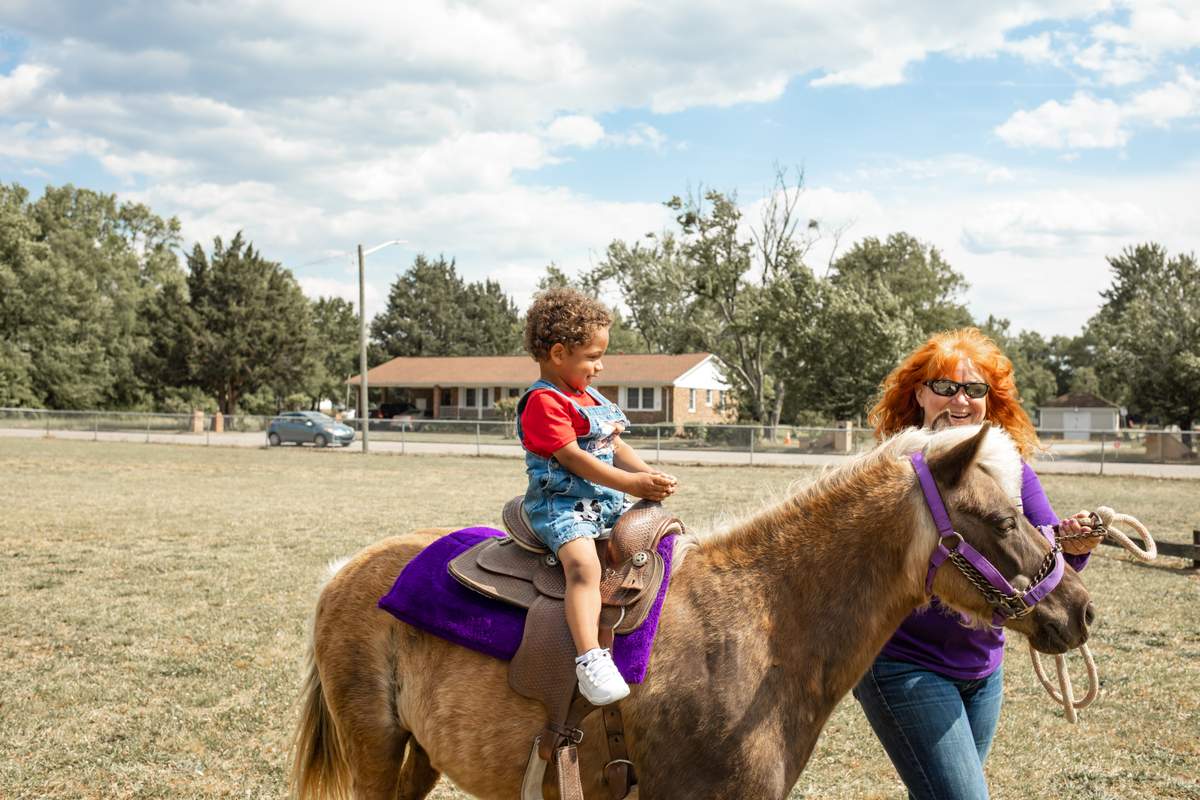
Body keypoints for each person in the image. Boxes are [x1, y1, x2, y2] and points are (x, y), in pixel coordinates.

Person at [854, 327, 1103, 800]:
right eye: (945, 387)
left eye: (974, 389)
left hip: (982, 669)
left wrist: (1075, 545)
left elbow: (1045, 557)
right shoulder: (893, 472)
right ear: (920, 394)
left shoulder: (1010, 470)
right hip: (905, 663)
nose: (960, 400)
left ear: (991, 399)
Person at [517, 287, 678, 705]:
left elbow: (615, 447)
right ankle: (590, 656)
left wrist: (647, 473)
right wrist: (631, 485)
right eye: (591, 357)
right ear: (557, 354)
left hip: (604, 503)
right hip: (562, 507)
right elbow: (572, 459)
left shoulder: (589, 398)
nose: (599, 366)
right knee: (584, 567)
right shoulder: (543, 402)